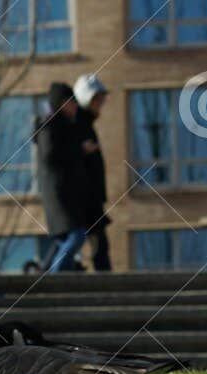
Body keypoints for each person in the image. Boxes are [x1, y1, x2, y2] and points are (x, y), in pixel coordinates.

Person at [35, 81, 93, 274]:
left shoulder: (65, 126)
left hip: (66, 192)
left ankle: (46, 273)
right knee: (77, 236)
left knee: (63, 239)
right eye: (72, 102)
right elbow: (50, 156)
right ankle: (54, 278)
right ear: (61, 103)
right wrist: (80, 149)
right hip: (59, 193)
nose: (75, 106)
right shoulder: (49, 126)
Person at [73, 73, 112, 272]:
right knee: (96, 244)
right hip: (85, 197)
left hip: (90, 196)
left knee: (89, 242)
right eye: (98, 99)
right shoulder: (79, 124)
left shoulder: (85, 123)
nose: (101, 104)